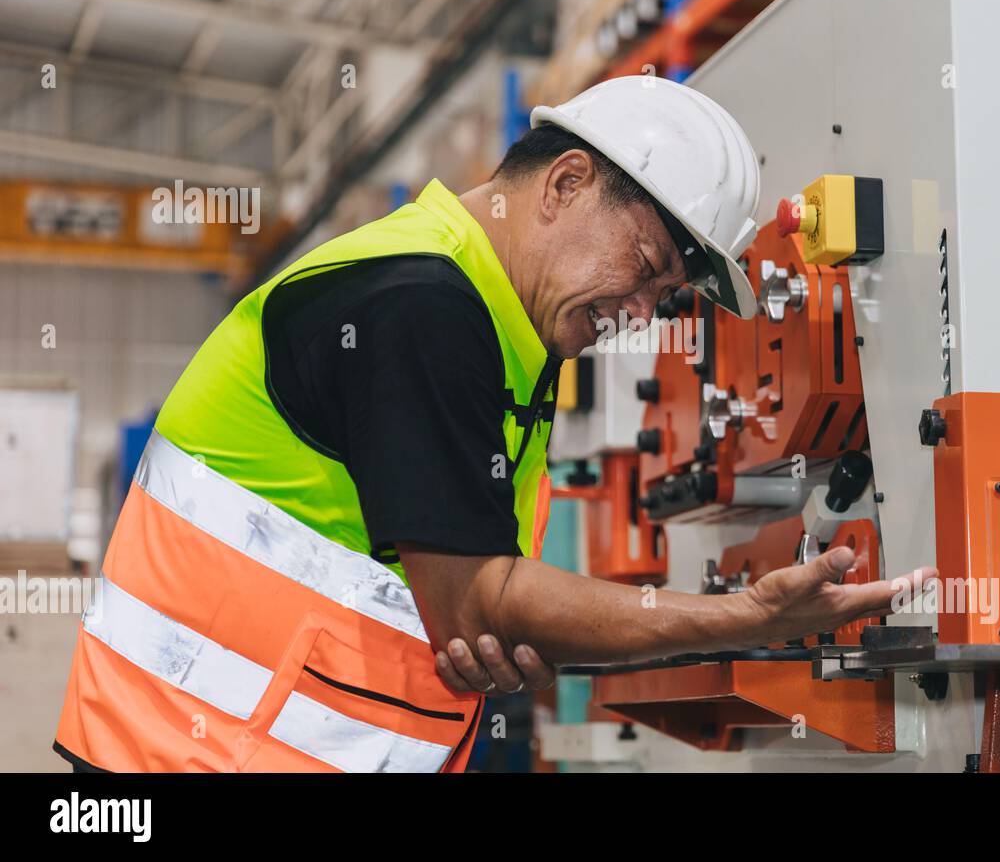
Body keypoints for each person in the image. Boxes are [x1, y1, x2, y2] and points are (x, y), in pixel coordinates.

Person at [55, 76, 934, 773]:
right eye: (644, 269)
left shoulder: (511, 327)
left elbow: (478, 613)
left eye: (663, 299)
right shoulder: (416, 304)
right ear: (565, 183)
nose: (638, 312)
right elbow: (481, 599)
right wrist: (743, 615)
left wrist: (506, 627)